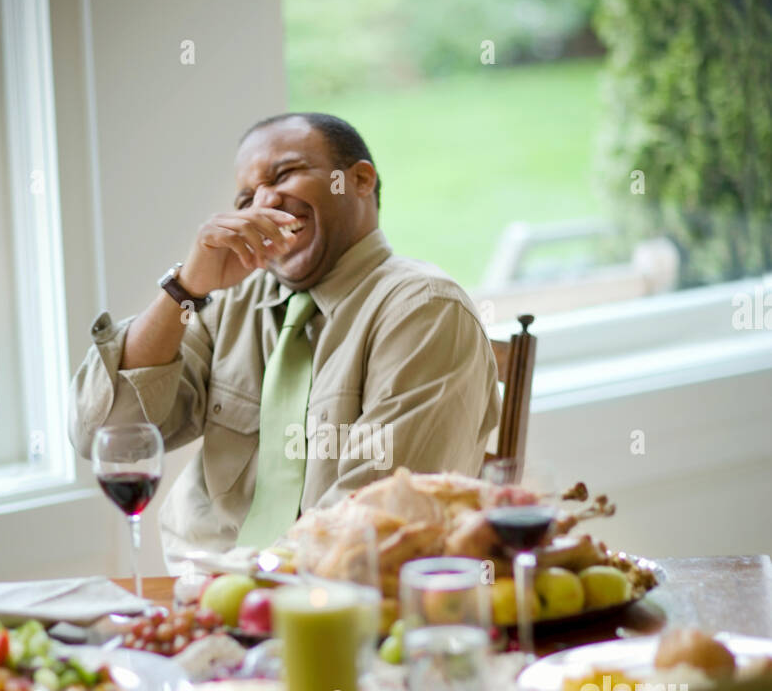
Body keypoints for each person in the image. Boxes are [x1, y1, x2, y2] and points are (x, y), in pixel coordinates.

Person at [69, 112, 501, 570]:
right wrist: (187, 289)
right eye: (246, 197)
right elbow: (105, 436)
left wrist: (245, 588)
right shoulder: (230, 299)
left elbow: (379, 517)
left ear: (358, 179)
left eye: (285, 174)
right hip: (198, 582)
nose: (264, 202)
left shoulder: (423, 309)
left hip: (339, 603)